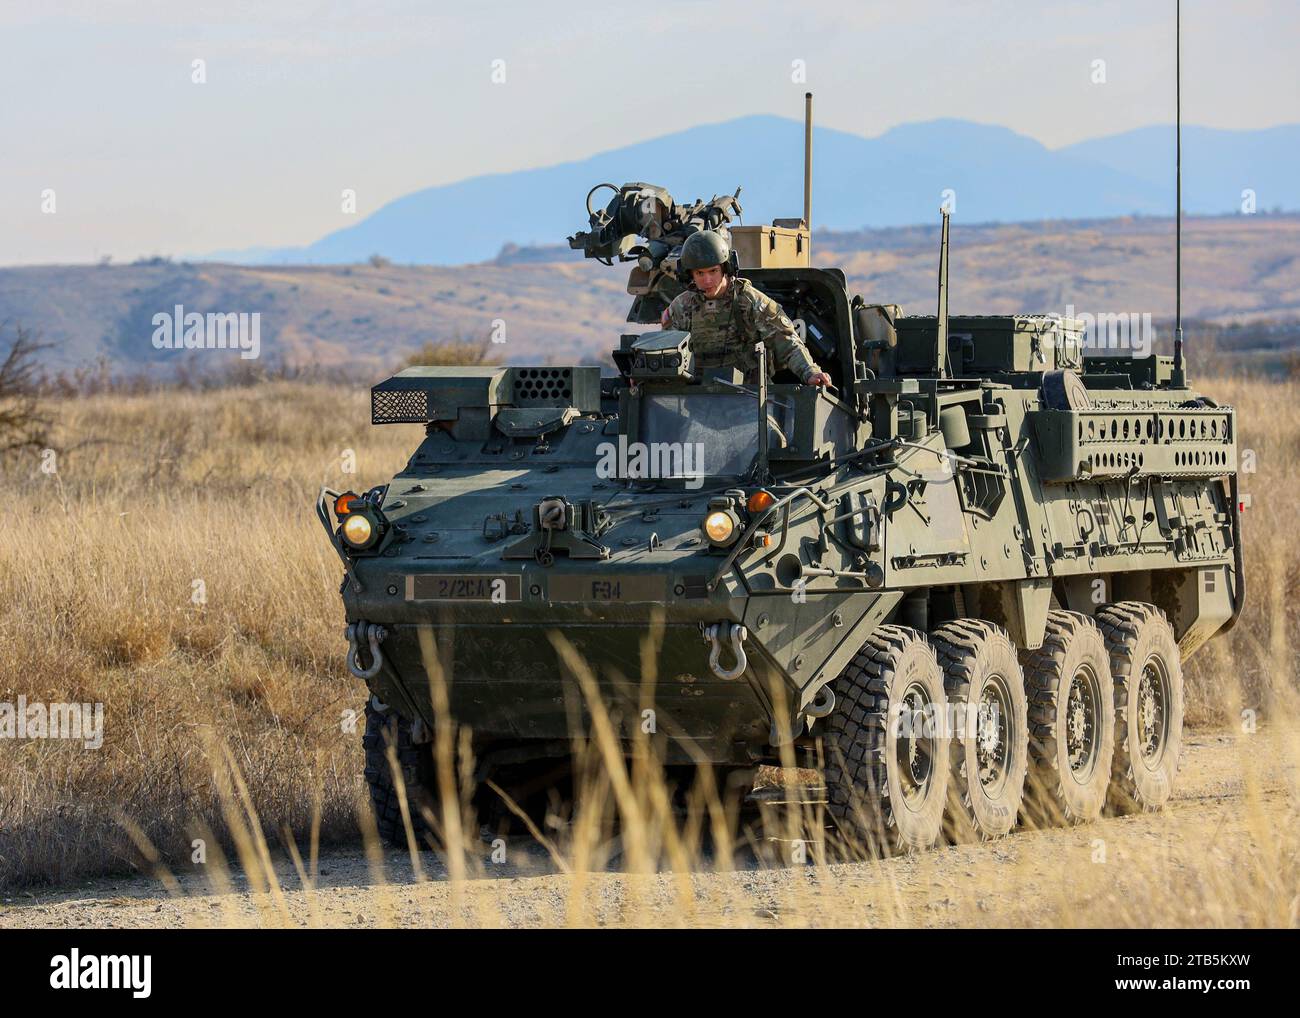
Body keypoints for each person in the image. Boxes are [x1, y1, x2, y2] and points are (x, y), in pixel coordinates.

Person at [661, 230, 833, 386]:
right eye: (700, 273)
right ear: (689, 274)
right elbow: (667, 354)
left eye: (713, 271)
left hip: (750, 397)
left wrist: (810, 372)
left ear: (726, 268)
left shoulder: (750, 300)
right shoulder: (681, 307)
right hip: (699, 398)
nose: (707, 280)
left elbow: (787, 343)